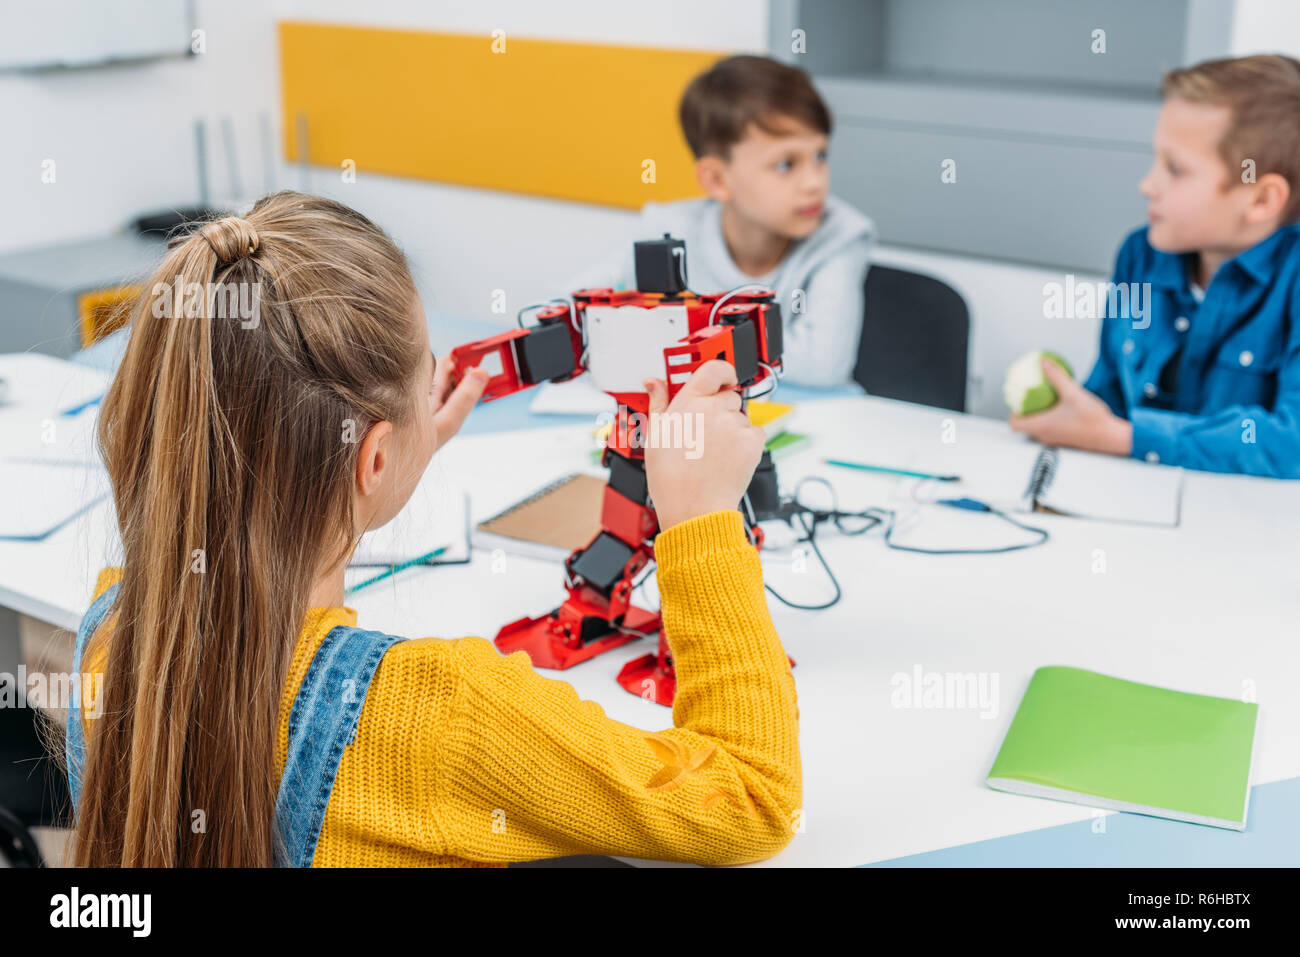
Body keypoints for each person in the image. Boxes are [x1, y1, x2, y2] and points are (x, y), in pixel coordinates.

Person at [65, 191, 800, 867]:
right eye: (427, 377)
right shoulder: (443, 710)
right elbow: (749, 799)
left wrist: (382, 461)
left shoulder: (107, 632)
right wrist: (700, 524)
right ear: (373, 456)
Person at [1011, 55, 1300, 478]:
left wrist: (1122, 438)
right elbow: (1107, 395)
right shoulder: (1139, 255)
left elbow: (1289, 444)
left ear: (1260, 200)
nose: (1147, 185)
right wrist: (1068, 414)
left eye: (1176, 169)